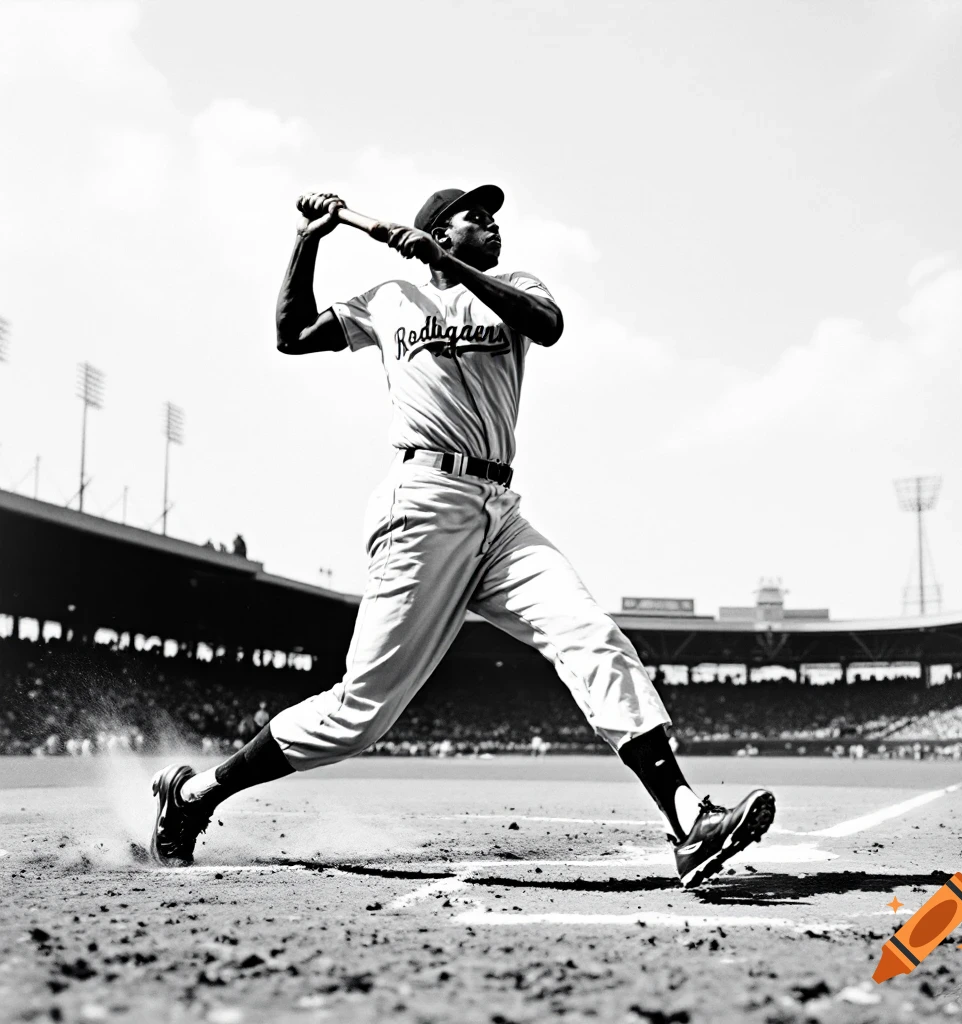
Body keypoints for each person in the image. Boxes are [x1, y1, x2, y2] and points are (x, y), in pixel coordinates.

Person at [149, 184, 775, 886]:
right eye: (475, 217)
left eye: (493, 217)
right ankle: (194, 794)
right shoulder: (390, 299)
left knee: (590, 635)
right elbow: (290, 337)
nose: (492, 223)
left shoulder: (513, 289)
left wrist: (457, 268)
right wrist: (309, 241)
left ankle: (688, 820)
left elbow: (549, 323)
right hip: (422, 501)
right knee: (360, 713)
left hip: (500, 512)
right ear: (438, 234)